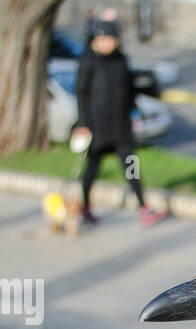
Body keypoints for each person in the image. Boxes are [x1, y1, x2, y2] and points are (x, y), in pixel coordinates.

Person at [73, 17, 166, 227]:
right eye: (103, 39)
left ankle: (144, 207)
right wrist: (84, 123)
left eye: (111, 39)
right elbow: (82, 94)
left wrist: (134, 113)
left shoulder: (121, 60)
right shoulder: (88, 61)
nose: (108, 43)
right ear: (95, 40)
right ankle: (85, 207)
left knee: (131, 166)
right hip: (97, 126)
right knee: (92, 168)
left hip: (121, 126)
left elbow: (129, 89)